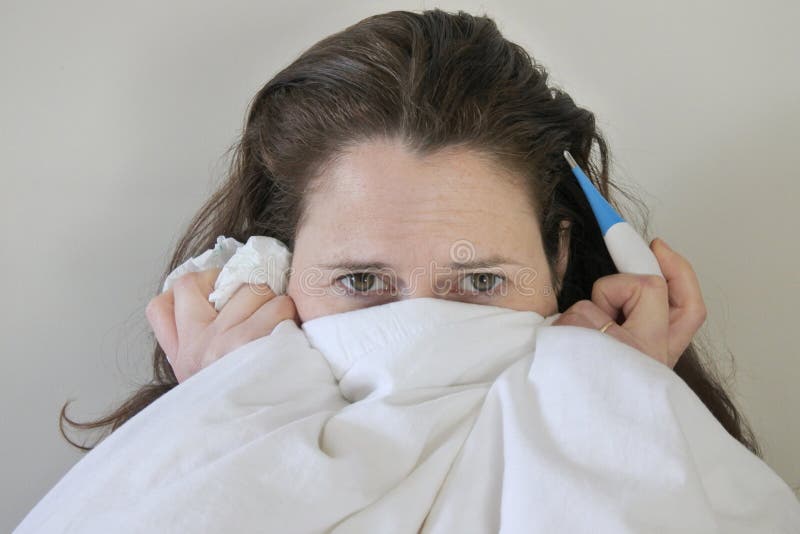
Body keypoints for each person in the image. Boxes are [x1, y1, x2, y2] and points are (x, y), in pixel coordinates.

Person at [60, 7, 759, 457]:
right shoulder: (196, 441)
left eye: (481, 282)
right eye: (361, 282)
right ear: (269, 274)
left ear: (559, 259)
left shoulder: (643, 429)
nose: (419, 339)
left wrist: (630, 418)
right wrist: (215, 426)